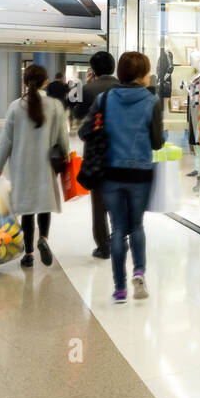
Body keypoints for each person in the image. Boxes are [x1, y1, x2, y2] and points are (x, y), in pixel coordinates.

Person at [80, 51, 163, 302]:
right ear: (141, 74)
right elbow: (157, 143)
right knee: (136, 225)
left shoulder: (104, 99)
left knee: (117, 229)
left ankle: (119, 288)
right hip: (140, 172)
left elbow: (85, 131)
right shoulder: (152, 101)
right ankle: (139, 272)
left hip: (111, 172)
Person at [0, 64, 68, 269]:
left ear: (25, 81)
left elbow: (6, 141)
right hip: (46, 165)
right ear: (46, 82)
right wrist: (66, 159)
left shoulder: (15, 106)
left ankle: (28, 254)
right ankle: (43, 238)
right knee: (44, 204)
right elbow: (63, 138)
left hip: (21, 165)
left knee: (27, 210)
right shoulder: (55, 105)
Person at [74, 51, 119, 260]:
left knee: (99, 203)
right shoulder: (124, 88)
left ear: (93, 69)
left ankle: (103, 246)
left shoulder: (88, 88)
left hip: (97, 154)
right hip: (122, 151)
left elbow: (79, 115)